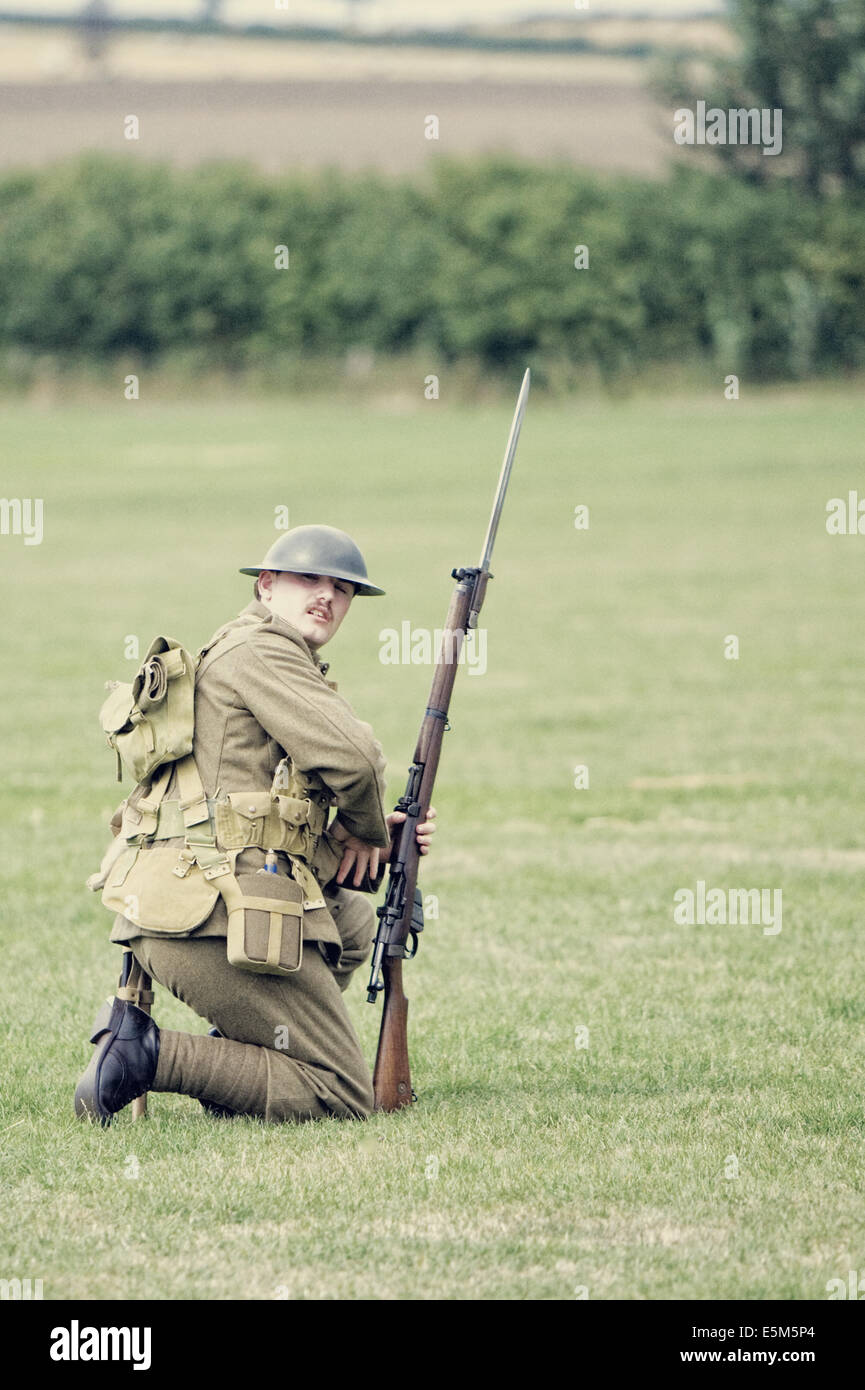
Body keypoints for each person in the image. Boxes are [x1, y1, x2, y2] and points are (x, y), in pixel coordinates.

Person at [75, 525, 436, 1125]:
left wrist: (366, 835)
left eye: (342, 588)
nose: (327, 595)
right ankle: (146, 1056)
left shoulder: (251, 649)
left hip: (182, 898)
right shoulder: (262, 650)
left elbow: (262, 817)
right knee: (342, 1094)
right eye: (308, 579)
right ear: (266, 586)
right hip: (203, 914)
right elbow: (358, 761)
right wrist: (370, 830)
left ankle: (237, 1072)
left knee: (351, 926)